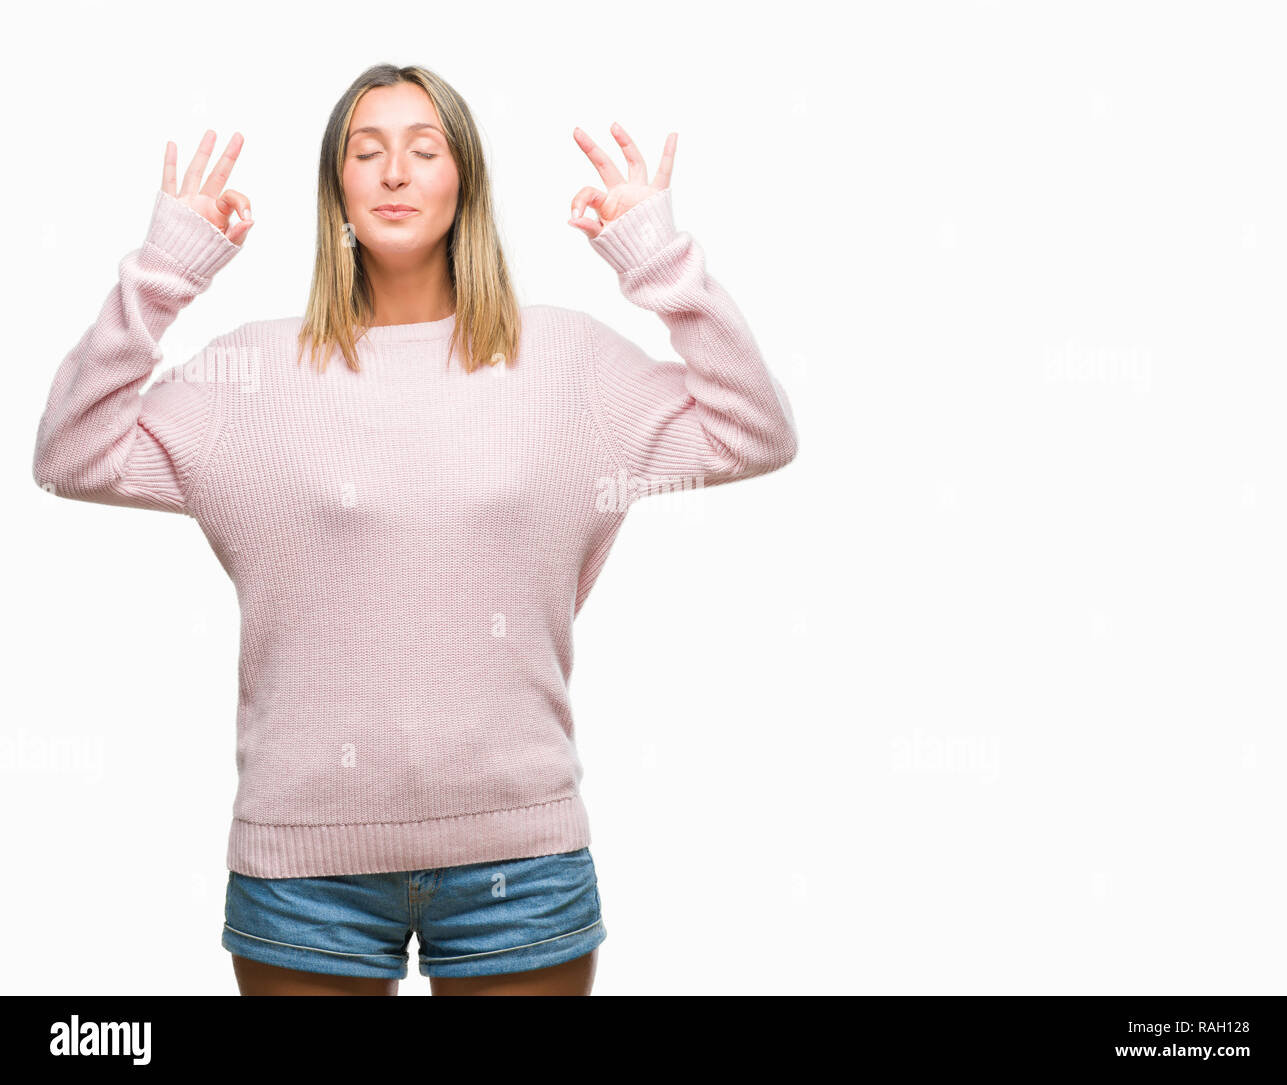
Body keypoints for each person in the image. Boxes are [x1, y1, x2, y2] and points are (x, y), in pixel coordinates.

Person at [32, 63, 798, 996]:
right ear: (337, 191)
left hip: (519, 861)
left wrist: (660, 262)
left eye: (423, 149)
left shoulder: (565, 362)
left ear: (462, 180)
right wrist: (160, 277)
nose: (395, 172)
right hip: (304, 869)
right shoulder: (251, 376)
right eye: (367, 151)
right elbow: (72, 452)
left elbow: (753, 430)